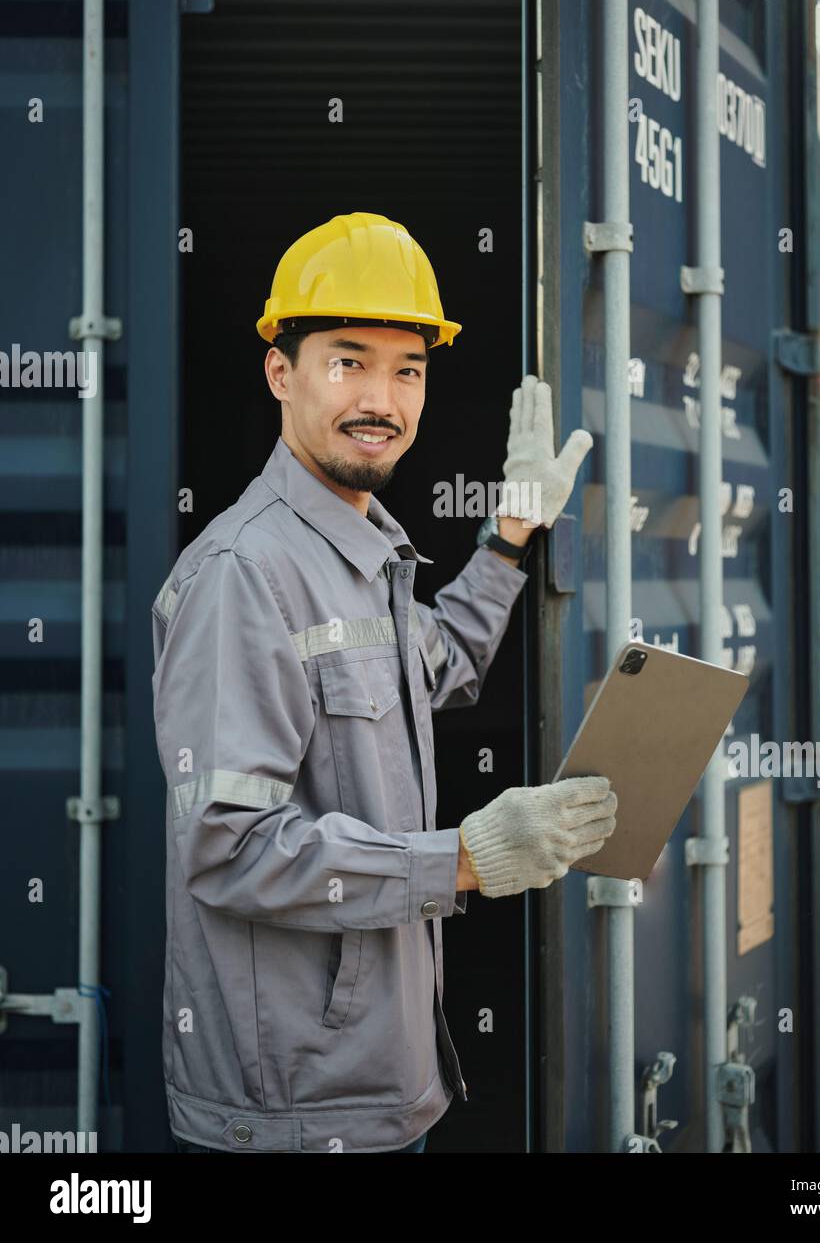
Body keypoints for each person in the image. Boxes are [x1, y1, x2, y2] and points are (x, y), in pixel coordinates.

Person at [152, 213, 616, 1154]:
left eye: (408, 369)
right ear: (281, 373)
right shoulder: (246, 572)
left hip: (381, 1090)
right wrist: (462, 859)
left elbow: (436, 665)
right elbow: (227, 848)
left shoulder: (361, 551)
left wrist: (509, 533)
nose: (382, 397)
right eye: (348, 360)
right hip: (290, 1116)